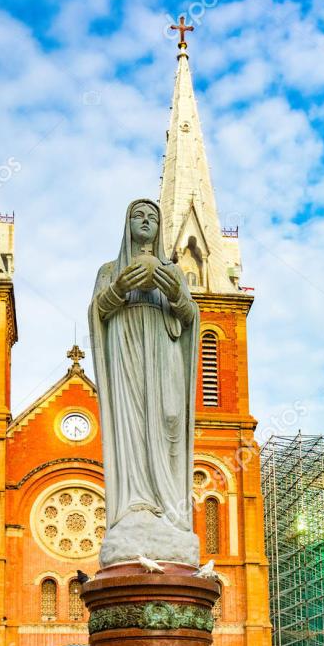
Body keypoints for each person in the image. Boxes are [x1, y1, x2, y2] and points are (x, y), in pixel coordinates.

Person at [88, 198, 200, 567]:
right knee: (132, 425)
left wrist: (176, 294)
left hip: (164, 352)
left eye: (153, 216)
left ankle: (169, 509)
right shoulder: (109, 270)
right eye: (138, 215)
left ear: (160, 226)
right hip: (126, 353)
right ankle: (136, 503)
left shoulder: (173, 271)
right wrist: (119, 288)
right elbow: (97, 312)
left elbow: (190, 317)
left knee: (170, 418)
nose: (146, 221)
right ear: (127, 224)